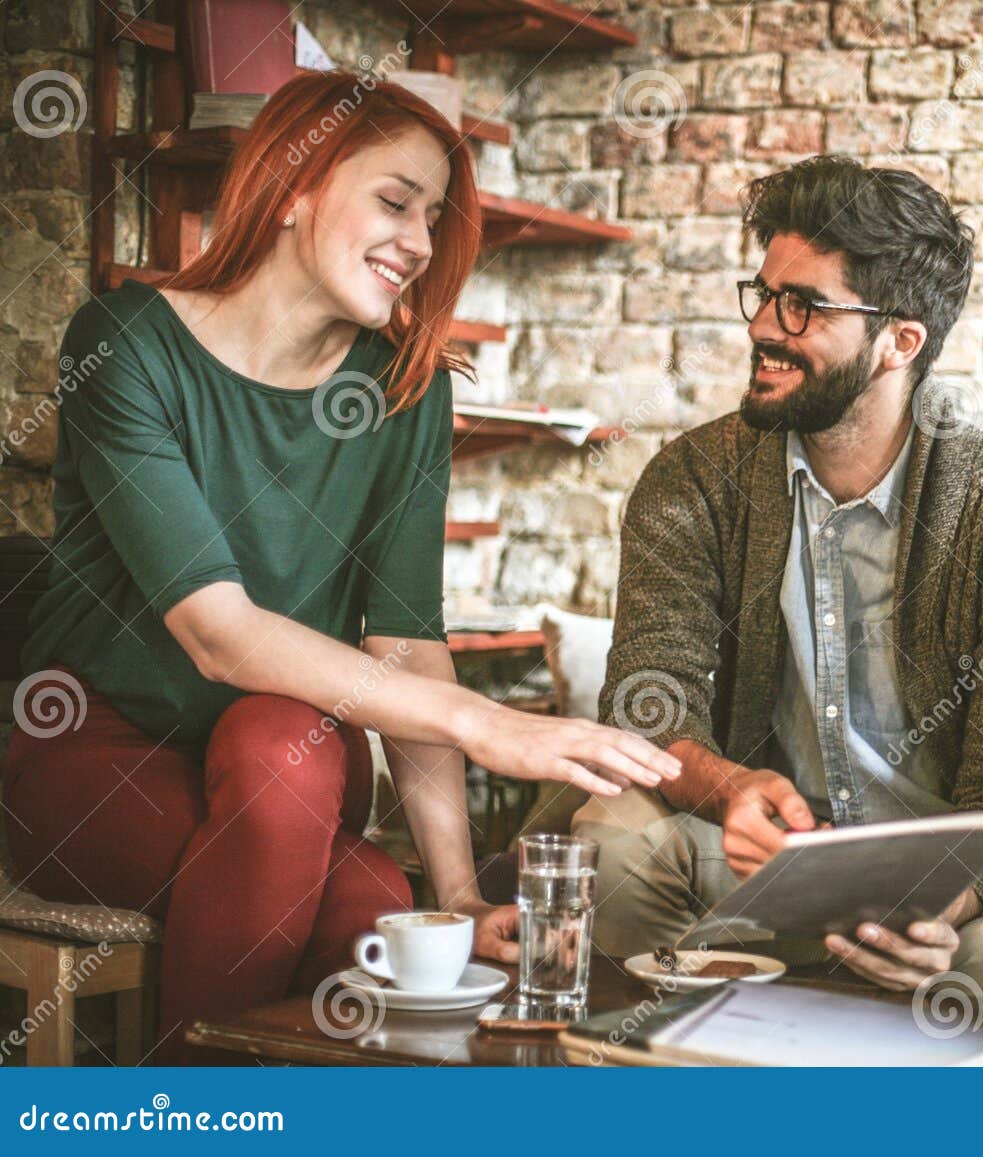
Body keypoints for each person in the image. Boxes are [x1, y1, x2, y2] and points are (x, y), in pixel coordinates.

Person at [1, 72, 677, 1063]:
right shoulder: (127, 344)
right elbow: (218, 633)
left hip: (293, 762)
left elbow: (408, 642)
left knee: (291, 747)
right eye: (395, 201)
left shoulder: (406, 392)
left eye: (434, 218)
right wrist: (488, 722)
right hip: (97, 753)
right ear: (291, 188)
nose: (421, 241)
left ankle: (198, 1109)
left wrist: (459, 893)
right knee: (367, 901)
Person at [572, 156, 983, 1003]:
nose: (763, 327)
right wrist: (730, 789)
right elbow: (646, 700)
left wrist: (939, 909)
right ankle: (666, 1061)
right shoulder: (693, 480)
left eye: (804, 306)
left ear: (900, 342)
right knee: (613, 837)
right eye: (764, 294)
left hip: (946, 879)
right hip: (758, 856)